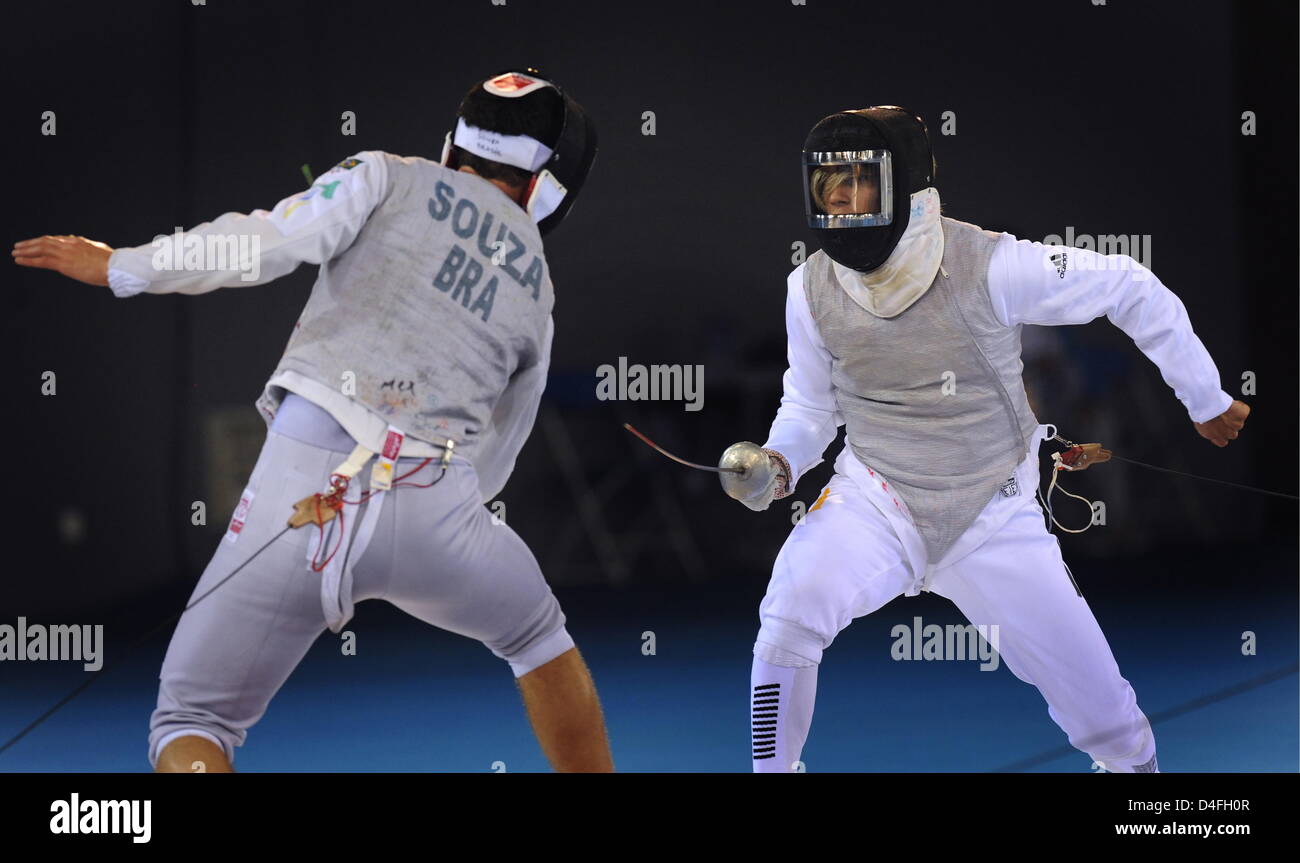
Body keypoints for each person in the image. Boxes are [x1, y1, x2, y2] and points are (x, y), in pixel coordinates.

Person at [12, 68, 613, 773]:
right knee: (539, 638)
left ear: (454, 145)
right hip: (438, 499)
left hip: (302, 488)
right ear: (551, 185)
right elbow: (502, 442)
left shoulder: (386, 174)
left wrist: (124, 266)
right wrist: (431, 534)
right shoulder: (536, 282)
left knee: (191, 720)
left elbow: (261, 244)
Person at [718, 106, 1249, 773]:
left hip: (991, 511)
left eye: (859, 182)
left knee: (1110, 718)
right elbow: (809, 407)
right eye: (831, 186)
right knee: (791, 607)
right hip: (876, 499)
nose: (842, 201)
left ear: (903, 185)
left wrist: (1205, 396)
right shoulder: (810, 287)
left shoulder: (992, 265)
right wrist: (780, 459)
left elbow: (1129, 285)